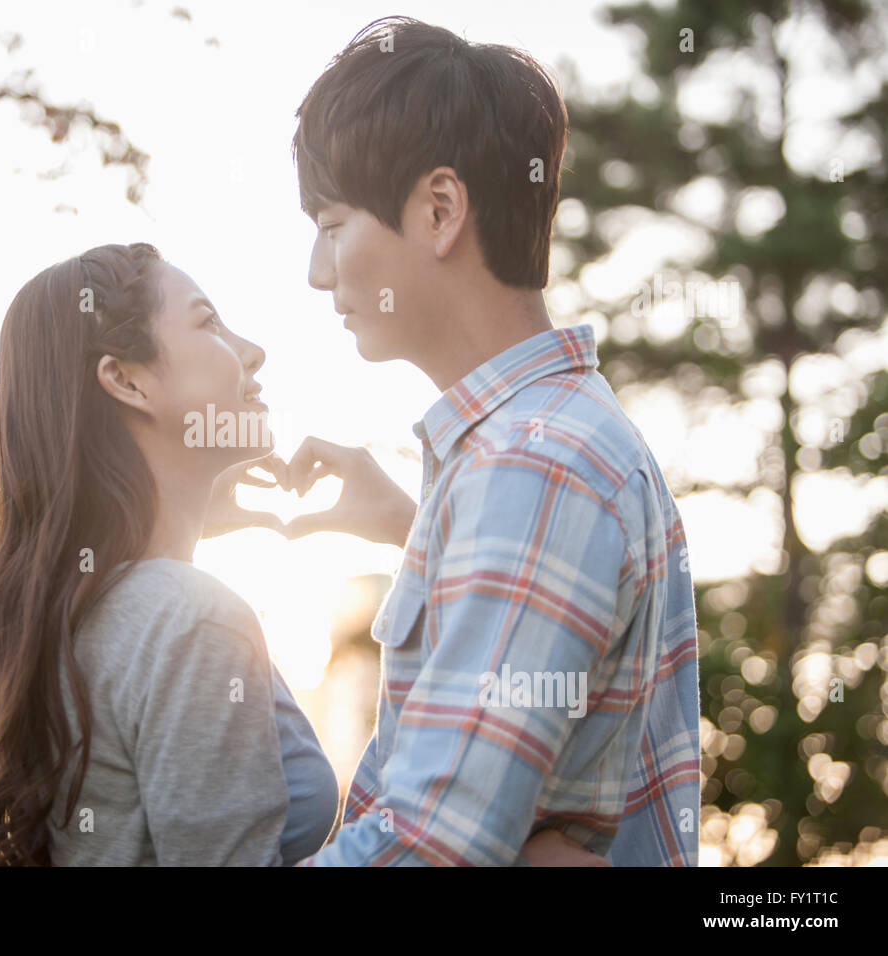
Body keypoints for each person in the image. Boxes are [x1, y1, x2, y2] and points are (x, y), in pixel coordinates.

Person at [0, 241, 609, 865]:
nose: (253, 352)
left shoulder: (91, 610)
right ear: (128, 382)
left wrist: (406, 528)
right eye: (209, 324)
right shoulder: (188, 617)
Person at [258, 17, 701, 865]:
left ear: (439, 210)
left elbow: (433, 846)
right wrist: (417, 523)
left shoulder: (534, 466)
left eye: (332, 223)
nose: (319, 273)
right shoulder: (552, 446)